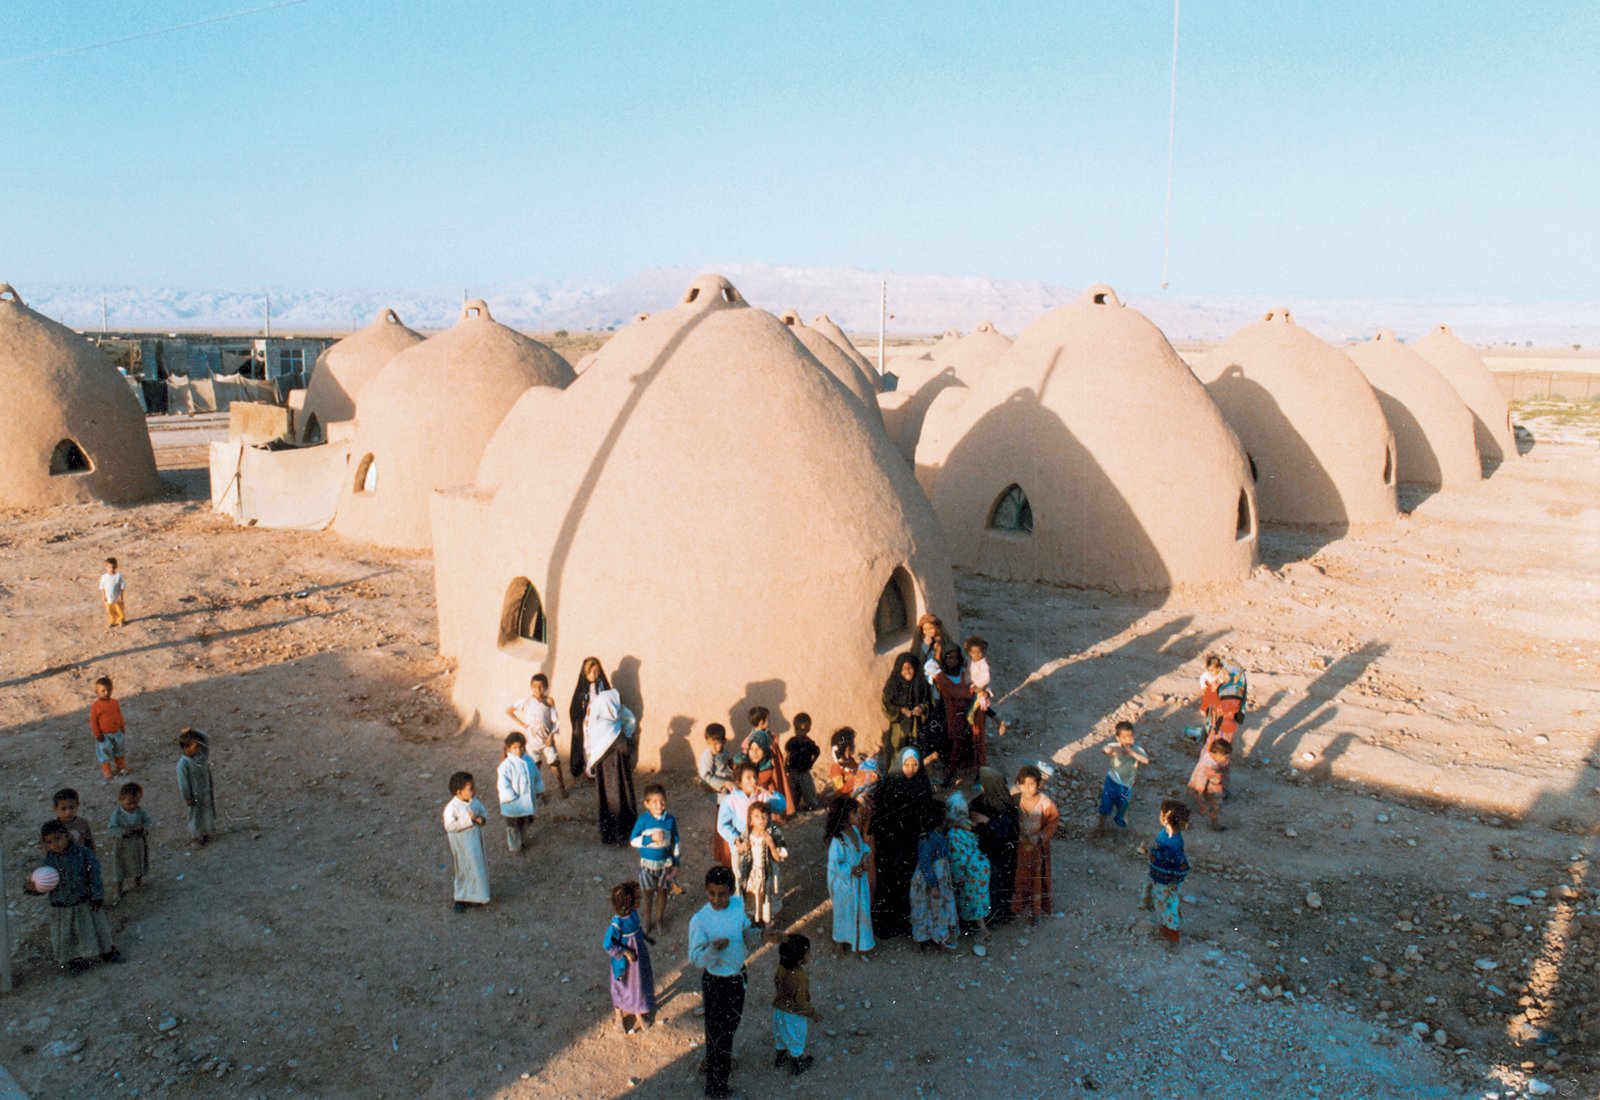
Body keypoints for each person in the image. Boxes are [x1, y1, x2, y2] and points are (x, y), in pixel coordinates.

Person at [687, 865, 781, 1099]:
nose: (716, 899)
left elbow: (745, 934)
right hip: (715, 983)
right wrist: (712, 950)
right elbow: (696, 957)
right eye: (712, 894)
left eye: (721, 894)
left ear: (730, 891)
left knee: (729, 1026)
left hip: (737, 978)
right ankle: (716, 1088)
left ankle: (714, 1060)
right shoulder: (700, 920)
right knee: (720, 1034)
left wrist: (763, 936)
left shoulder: (738, 907)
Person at [27, 821, 118, 970]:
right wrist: (32, 887)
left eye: (58, 839)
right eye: (49, 842)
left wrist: (97, 896)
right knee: (68, 935)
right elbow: (44, 886)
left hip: (86, 902)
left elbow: (94, 875)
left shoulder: (83, 853)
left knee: (97, 929)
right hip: (63, 907)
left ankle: (107, 952)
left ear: (67, 836)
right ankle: (74, 960)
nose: (54, 844)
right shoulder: (47, 863)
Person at [869, 747, 932, 938]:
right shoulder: (890, 785)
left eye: (915, 764)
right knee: (889, 882)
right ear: (899, 765)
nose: (911, 769)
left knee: (907, 881)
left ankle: (905, 923)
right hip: (890, 845)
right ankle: (885, 926)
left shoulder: (922, 784)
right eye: (906, 765)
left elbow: (928, 813)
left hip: (910, 844)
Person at [584, 687, 639, 845]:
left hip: (603, 774)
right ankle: (622, 835)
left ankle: (609, 835)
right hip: (618, 771)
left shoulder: (596, 726)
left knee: (606, 801)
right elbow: (626, 748)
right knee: (620, 799)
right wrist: (630, 738)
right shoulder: (612, 728)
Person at [823, 795, 875, 956]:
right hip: (845, 885)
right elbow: (835, 864)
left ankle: (863, 945)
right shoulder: (838, 840)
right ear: (845, 815)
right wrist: (851, 869)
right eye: (855, 813)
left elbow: (863, 848)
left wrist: (865, 858)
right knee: (844, 913)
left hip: (859, 881)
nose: (859, 816)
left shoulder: (855, 831)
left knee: (862, 911)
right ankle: (840, 940)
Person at [603, 881, 656, 1033]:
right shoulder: (617, 924)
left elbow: (637, 930)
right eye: (637, 898)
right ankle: (618, 1015)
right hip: (624, 965)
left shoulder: (634, 914)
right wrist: (626, 952)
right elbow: (608, 945)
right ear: (628, 902)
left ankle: (638, 1011)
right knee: (621, 986)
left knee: (637, 985)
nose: (640, 900)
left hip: (638, 963)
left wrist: (646, 937)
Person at [969, 766, 1019, 923]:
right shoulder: (980, 802)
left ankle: (998, 915)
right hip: (989, 853)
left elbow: (1006, 831)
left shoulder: (1006, 806)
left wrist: (986, 822)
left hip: (1001, 854)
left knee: (999, 885)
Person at [630, 783, 680, 936]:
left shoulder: (670, 820)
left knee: (662, 892)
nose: (659, 805)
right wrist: (650, 838)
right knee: (648, 894)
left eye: (662, 801)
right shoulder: (643, 820)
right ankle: (647, 921)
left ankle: (659, 920)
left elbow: (675, 842)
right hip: (647, 865)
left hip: (665, 864)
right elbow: (633, 841)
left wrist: (676, 863)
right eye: (655, 802)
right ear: (647, 804)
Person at [909, 799, 958, 950]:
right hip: (931, 880)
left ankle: (934, 937)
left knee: (931, 909)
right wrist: (933, 885)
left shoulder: (934, 835)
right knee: (929, 908)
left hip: (937, 878)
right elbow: (925, 863)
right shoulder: (930, 839)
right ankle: (929, 939)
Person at [1012, 764, 1058, 924]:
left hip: (1037, 851)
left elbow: (1053, 822)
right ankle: (1018, 907)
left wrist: (1040, 837)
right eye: (1023, 784)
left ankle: (1036, 912)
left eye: (1031, 784)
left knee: (1036, 880)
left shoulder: (1045, 803)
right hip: (1019, 850)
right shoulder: (1016, 800)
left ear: (1038, 784)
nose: (1027, 788)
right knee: (1019, 878)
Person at [507, 673, 565, 799]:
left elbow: (555, 721)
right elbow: (509, 711)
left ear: (546, 687)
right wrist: (524, 725)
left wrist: (551, 736)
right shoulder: (526, 702)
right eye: (534, 686)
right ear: (531, 687)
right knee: (535, 768)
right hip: (532, 742)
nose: (538, 689)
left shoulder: (549, 702)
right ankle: (539, 793)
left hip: (547, 740)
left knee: (555, 764)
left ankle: (562, 788)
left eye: (541, 686)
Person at [1142, 800, 1192, 946]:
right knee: (1166, 903)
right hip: (1161, 876)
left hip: (1165, 881)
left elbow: (1180, 864)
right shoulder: (1170, 836)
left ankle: (1172, 937)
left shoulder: (1170, 841)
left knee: (1166, 907)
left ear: (1165, 818)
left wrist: (1175, 879)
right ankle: (1167, 929)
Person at [716, 762, 776, 881]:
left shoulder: (762, 797)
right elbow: (722, 826)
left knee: (764, 878)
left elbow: (781, 806)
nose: (753, 781)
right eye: (748, 778)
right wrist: (735, 839)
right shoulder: (730, 800)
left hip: (762, 846)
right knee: (742, 880)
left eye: (755, 777)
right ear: (739, 782)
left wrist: (769, 794)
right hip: (742, 848)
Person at [772, 933, 821, 1076]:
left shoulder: (781, 968)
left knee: (780, 1035)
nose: (810, 955)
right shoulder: (800, 976)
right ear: (800, 958)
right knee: (796, 1039)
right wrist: (813, 1014)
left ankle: (780, 1059)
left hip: (779, 1010)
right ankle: (797, 1065)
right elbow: (801, 1002)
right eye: (808, 953)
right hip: (793, 1015)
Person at [943, 791, 991, 937]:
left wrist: (957, 878)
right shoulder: (969, 824)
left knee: (971, 899)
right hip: (981, 865)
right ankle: (981, 926)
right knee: (979, 898)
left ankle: (982, 930)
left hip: (970, 870)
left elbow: (958, 860)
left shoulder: (952, 835)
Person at [1092, 720, 1151, 837]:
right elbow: (1105, 749)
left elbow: (1145, 760)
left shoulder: (1137, 750)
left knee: (1123, 807)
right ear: (1118, 738)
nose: (1128, 740)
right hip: (1111, 782)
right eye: (1125, 737)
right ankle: (1100, 827)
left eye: (1131, 737)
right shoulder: (1114, 747)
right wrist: (1118, 750)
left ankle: (1120, 828)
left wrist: (1132, 753)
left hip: (1126, 786)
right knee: (1105, 805)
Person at [931, 646, 978, 784]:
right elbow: (937, 697)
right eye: (949, 658)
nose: (952, 661)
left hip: (961, 715)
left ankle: (950, 773)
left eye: (955, 658)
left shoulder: (965, 675)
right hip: (944, 715)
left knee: (958, 743)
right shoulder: (939, 676)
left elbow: (971, 694)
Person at [443, 771, 489, 911]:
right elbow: (450, 826)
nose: (474, 791)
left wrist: (481, 819)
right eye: (470, 788)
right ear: (459, 792)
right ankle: (461, 897)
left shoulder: (475, 802)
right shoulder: (451, 808)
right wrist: (469, 819)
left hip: (474, 843)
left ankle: (476, 896)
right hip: (461, 846)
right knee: (463, 869)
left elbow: (484, 813)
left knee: (477, 868)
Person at [496, 731, 545, 854]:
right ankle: (515, 846)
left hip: (526, 802)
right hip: (513, 803)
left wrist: (538, 789)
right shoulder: (506, 766)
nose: (518, 750)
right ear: (509, 748)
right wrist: (511, 797)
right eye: (515, 747)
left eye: (521, 747)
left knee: (524, 823)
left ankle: (523, 841)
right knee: (513, 826)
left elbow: (536, 775)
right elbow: (503, 784)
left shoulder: (529, 760)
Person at [740, 801, 786, 926]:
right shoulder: (748, 833)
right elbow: (740, 847)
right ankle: (754, 919)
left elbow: (778, 858)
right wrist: (743, 846)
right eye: (756, 816)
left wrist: (771, 844)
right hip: (753, 874)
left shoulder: (773, 833)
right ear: (750, 821)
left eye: (764, 816)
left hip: (768, 873)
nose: (761, 820)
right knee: (753, 897)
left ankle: (767, 923)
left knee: (767, 898)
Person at [741, 707, 793, 816]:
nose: (769, 721)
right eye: (768, 719)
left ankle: (780, 813)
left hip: (774, 769)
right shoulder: (752, 739)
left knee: (776, 787)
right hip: (763, 771)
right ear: (761, 722)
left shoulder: (768, 734)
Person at [105, 781, 150, 904]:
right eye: (129, 803)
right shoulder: (117, 814)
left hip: (137, 844)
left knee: (138, 864)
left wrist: (142, 828)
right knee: (120, 867)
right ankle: (118, 890)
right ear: (121, 800)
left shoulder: (140, 811)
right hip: (122, 846)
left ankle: (138, 884)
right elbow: (111, 828)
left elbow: (148, 822)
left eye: (136, 803)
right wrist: (123, 832)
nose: (133, 806)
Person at [567, 657, 611, 778]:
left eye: (595, 671)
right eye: (590, 672)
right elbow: (576, 707)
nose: (593, 674)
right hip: (587, 721)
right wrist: (579, 721)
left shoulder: (602, 686)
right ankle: (589, 768)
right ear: (585, 673)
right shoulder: (583, 689)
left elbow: (608, 701)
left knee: (599, 743)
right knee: (587, 744)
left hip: (600, 720)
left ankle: (600, 767)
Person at [881, 653, 930, 757]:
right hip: (899, 728)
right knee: (899, 755)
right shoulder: (892, 686)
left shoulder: (921, 684)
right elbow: (886, 705)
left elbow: (929, 702)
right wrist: (901, 710)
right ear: (898, 670)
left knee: (916, 756)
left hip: (917, 727)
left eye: (910, 668)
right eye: (903, 669)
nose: (907, 672)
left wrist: (921, 708)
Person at [175, 729, 215, 846]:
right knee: (195, 816)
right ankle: (196, 837)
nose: (198, 748)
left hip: (205, 792)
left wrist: (193, 731)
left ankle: (206, 832)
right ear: (186, 748)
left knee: (206, 812)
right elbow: (183, 783)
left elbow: (205, 739)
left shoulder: (201, 756)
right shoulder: (183, 764)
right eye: (195, 746)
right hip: (194, 795)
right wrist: (187, 797)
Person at [965, 636, 1009, 737]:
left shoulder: (983, 664)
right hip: (972, 688)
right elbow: (966, 674)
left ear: (983, 651)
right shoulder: (969, 661)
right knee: (983, 708)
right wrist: (969, 683)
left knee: (973, 710)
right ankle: (998, 720)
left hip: (980, 689)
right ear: (969, 652)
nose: (977, 655)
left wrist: (977, 687)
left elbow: (986, 678)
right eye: (973, 653)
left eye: (979, 652)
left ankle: (970, 728)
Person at [89, 676, 130, 781]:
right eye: (103, 690)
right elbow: (93, 721)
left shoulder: (114, 702)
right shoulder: (96, 706)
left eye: (109, 690)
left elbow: (119, 715)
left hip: (116, 732)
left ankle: (121, 767)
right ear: (97, 692)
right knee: (104, 752)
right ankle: (107, 771)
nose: (106, 692)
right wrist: (97, 734)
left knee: (119, 750)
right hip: (104, 735)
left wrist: (122, 727)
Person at [1188, 738, 1232, 830]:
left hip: (1206, 788)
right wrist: (1201, 798)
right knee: (1215, 807)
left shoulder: (1209, 758)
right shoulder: (1207, 767)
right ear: (1218, 754)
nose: (1227, 760)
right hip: (1208, 791)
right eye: (1226, 757)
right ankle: (1215, 824)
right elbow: (1200, 785)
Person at [784, 713, 821, 812]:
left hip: (804, 771)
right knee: (792, 790)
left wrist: (811, 763)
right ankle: (793, 807)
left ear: (808, 729)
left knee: (808, 789)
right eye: (797, 729)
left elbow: (817, 753)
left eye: (802, 730)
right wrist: (784, 766)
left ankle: (812, 805)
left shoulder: (809, 743)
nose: (799, 732)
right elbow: (787, 754)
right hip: (792, 771)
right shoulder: (792, 741)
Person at [697, 723, 736, 800]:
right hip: (714, 785)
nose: (713, 747)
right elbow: (706, 777)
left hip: (727, 780)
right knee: (726, 798)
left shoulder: (725, 752)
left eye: (717, 744)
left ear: (724, 741)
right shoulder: (708, 755)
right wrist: (724, 783)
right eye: (710, 744)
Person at [827, 727, 859, 796]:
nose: (854, 746)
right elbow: (840, 791)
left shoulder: (851, 760)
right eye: (852, 744)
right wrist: (856, 779)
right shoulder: (836, 768)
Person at [99, 557, 126, 629]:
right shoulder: (104, 577)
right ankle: (112, 621)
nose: (111, 569)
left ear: (116, 567)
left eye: (113, 567)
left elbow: (122, 586)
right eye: (109, 567)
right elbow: (102, 587)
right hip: (108, 597)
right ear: (106, 567)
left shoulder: (118, 576)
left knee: (119, 609)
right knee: (109, 610)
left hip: (117, 597)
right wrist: (103, 596)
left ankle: (120, 620)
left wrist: (121, 595)